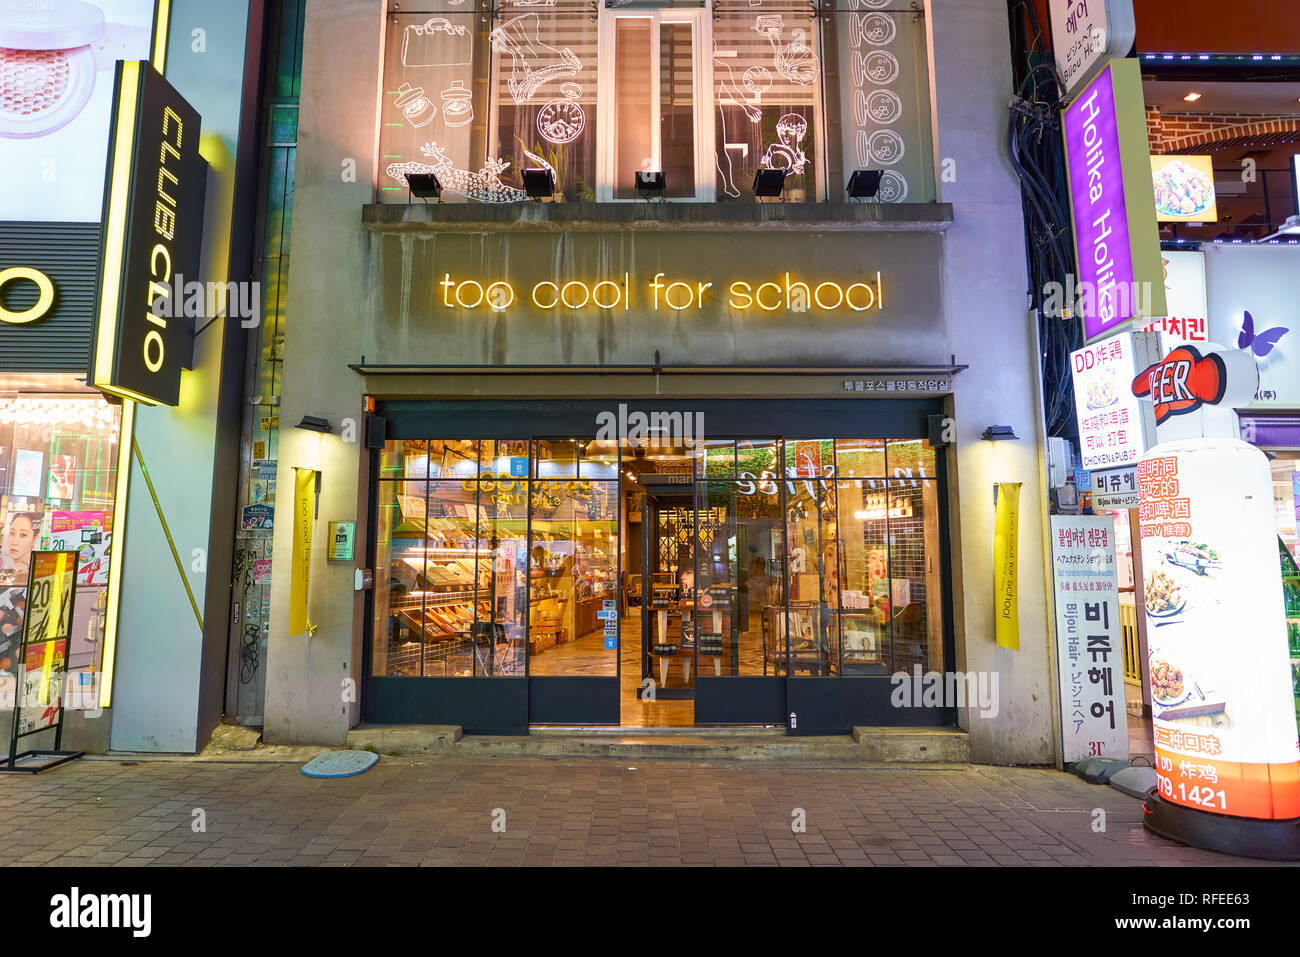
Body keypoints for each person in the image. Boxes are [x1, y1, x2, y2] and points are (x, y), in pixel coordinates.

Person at [3, 512, 39, 584]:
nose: (14, 542)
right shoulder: (6, 568)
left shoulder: (32, 575)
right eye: (12, 533)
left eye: (23, 535)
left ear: (34, 539)